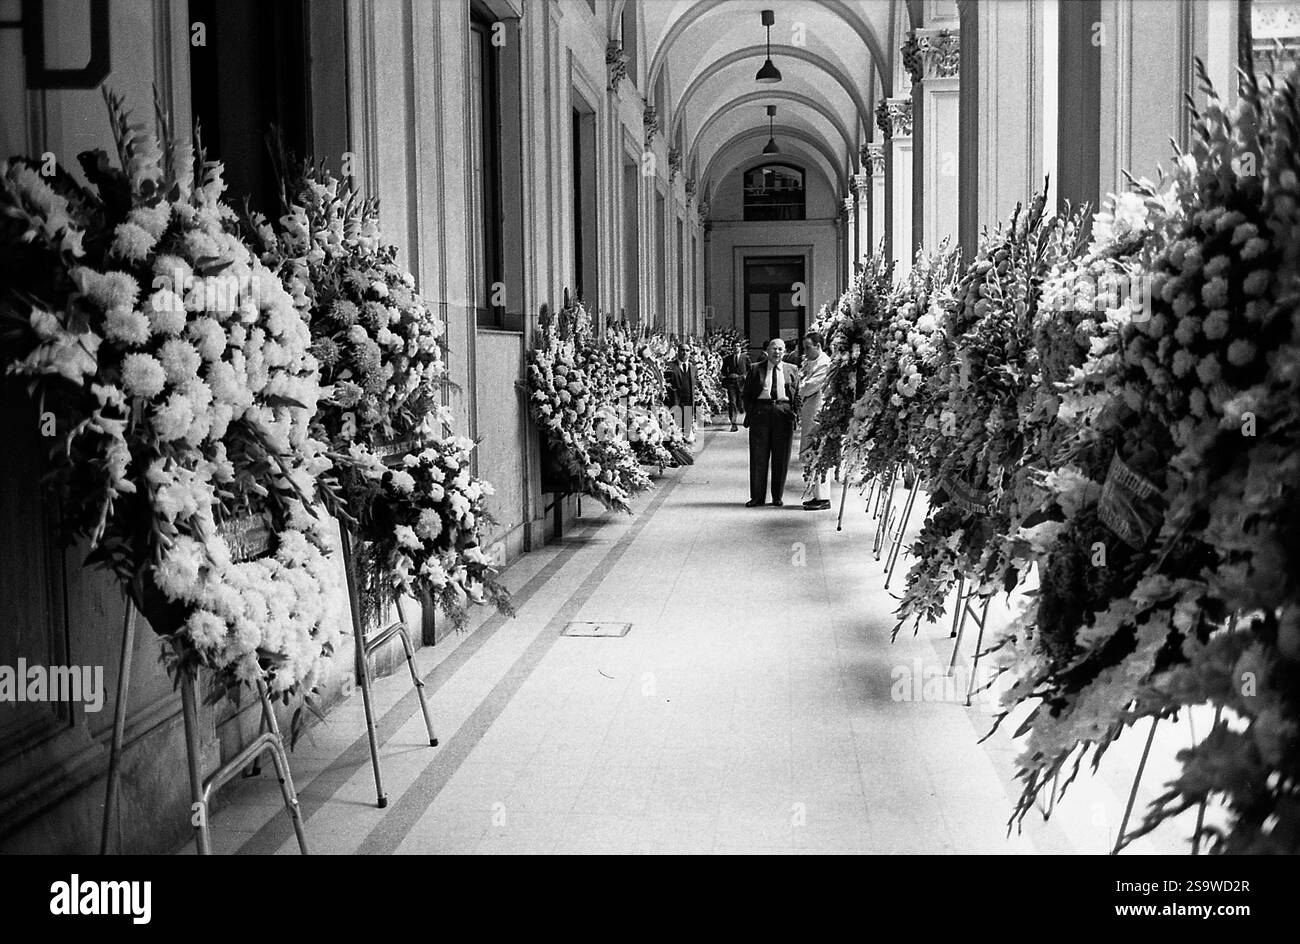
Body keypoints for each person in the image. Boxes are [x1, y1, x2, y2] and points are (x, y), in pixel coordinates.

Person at [741, 337, 800, 507]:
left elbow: (797, 394)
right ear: (768, 351)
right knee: (759, 455)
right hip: (761, 412)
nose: (777, 352)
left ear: (785, 352)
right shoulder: (755, 369)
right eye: (774, 348)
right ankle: (757, 497)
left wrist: (794, 413)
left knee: (781, 456)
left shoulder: (792, 369)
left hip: (783, 413)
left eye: (781, 349)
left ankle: (777, 496)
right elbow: (747, 394)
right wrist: (751, 412)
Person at [797, 331, 832, 510]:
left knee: (818, 452)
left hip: (818, 412)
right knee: (812, 453)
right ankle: (816, 494)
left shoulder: (824, 364)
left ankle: (823, 497)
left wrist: (797, 386)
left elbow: (810, 386)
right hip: (810, 411)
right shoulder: (814, 362)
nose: (805, 352)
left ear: (818, 346)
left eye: (808, 348)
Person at [663, 342, 698, 439]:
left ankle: (686, 446)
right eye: (682, 350)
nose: (685, 353)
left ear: (690, 352)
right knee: (676, 428)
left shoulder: (693, 368)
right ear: (677, 352)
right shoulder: (670, 366)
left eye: (687, 350)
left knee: (687, 429)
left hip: (688, 401)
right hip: (675, 401)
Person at [720, 339, 750, 431]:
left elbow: (750, 369)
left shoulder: (745, 358)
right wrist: (728, 375)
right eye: (735, 346)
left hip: (742, 383)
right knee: (732, 402)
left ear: (741, 348)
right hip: (731, 383)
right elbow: (723, 370)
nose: (736, 348)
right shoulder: (727, 358)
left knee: (742, 403)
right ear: (732, 348)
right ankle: (733, 423)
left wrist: (745, 376)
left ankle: (745, 417)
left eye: (738, 346)